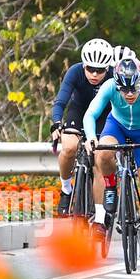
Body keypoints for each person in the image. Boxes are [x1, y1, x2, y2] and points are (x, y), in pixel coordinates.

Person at [83, 56, 140, 254]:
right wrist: (91, 137)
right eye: (124, 89)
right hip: (117, 126)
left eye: (133, 89)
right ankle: (111, 185)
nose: (129, 94)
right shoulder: (110, 86)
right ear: (117, 84)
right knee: (103, 152)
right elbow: (90, 114)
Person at [50, 37, 114, 215]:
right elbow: (61, 101)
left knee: (99, 160)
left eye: (99, 70)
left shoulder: (114, 76)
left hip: (103, 115)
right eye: (90, 69)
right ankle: (66, 189)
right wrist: (56, 122)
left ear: (107, 68)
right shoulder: (74, 72)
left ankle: (100, 213)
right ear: (84, 65)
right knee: (69, 147)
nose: (94, 74)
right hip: (78, 111)